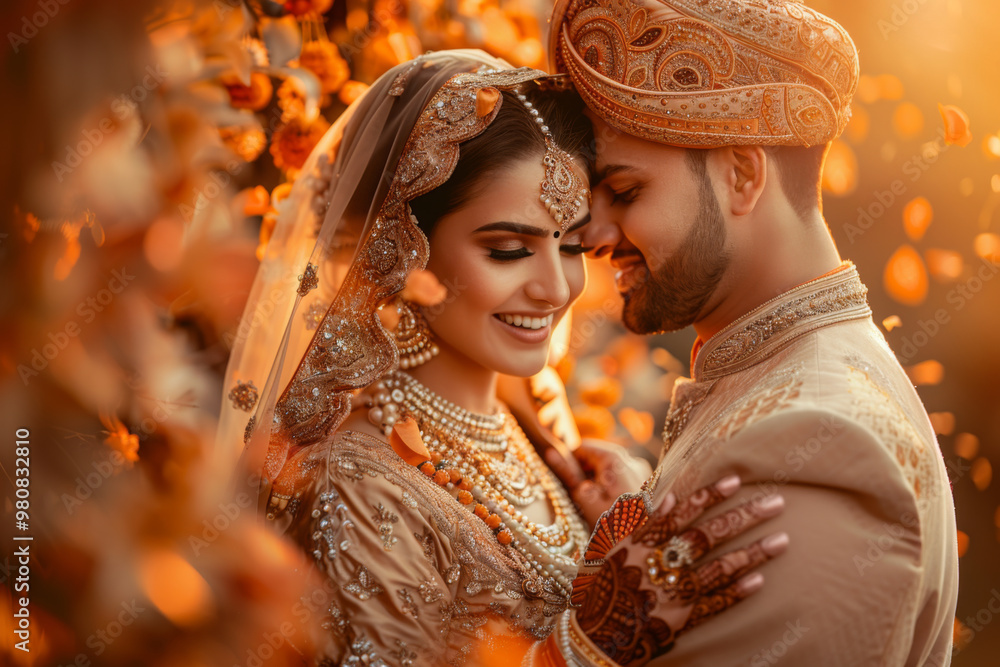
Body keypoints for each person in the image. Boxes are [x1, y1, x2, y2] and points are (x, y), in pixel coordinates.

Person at [217, 50, 786, 665]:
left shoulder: (549, 446)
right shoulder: (354, 484)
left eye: (570, 247)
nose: (555, 288)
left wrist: (625, 533)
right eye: (510, 250)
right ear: (402, 251)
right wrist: (600, 636)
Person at [542, 1, 960, 665]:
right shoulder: (791, 374)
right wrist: (640, 516)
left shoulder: (822, 448)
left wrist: (583, 641)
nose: (590, 235)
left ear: (742, 174)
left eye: (623, 192)